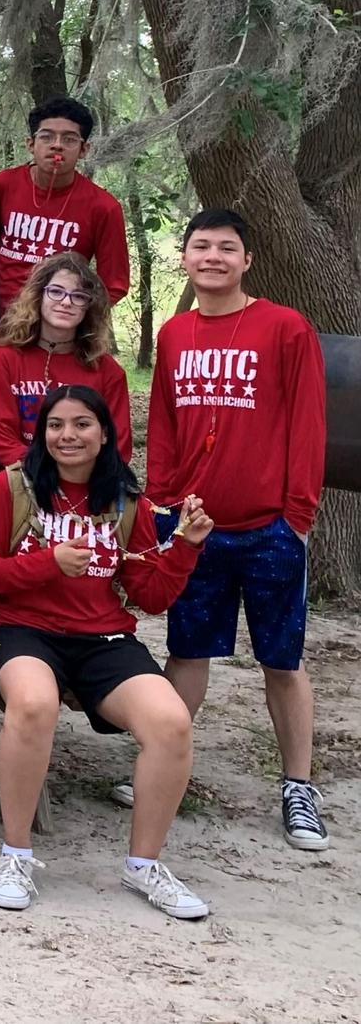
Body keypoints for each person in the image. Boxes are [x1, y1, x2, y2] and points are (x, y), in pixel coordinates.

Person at [0, 385, 215, 918]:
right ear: (42, 434)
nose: (68, 435)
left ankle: (143, 865)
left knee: (172, 720)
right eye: (56, 425)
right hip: (21, 629)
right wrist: (47, 563)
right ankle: (16, 854)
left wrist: (186, 548)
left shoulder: (127, 500)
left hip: (103, 636)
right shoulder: (14, 487)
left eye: (82, 424)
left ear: (105, 434)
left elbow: (149, 596)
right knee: (34, 703)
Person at [148, 209, 329, 851]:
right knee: (188, 650)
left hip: (269, 526)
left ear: (247, 260)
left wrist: (298, 516)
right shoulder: (174, 334)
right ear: (186, 258)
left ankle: (299, 787)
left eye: (228, 248)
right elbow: (165, 422)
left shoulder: (284, 327)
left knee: (281, 659)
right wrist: (163, 504)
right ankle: (161, 759)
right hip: (196, 526)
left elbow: (309, 424)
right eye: (202, 246)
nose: (214, 257)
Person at [0, 252, 131, 467]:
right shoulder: (4, 359)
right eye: (56, 292)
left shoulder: (107, 370)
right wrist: (48, 474)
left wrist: (77, 479)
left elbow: (118, 445)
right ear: (38, 296)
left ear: (89, 307)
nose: (66, 302)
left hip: (85, 479)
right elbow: (3, 440)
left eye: (78, 296)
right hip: (22, 474)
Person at [0, 95, 130, 309]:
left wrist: (73, 317)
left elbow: (115, 284)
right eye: (47, 137)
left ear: (84, 150)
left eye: (69, 139)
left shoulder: (103, 207)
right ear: (31, 144)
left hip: (57, 326)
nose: (57, 146)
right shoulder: (1, 185)